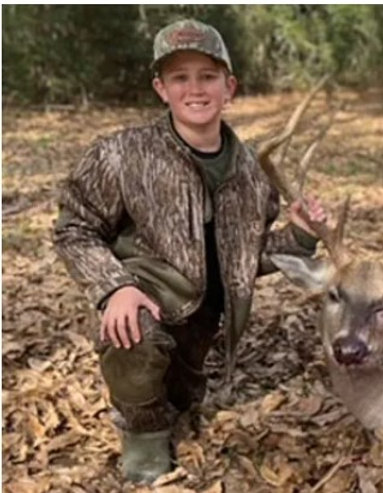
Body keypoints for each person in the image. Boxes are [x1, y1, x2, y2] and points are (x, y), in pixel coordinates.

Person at [52, 19, 326, 484]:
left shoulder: (254, 171)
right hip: (144, 307)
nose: (195, 89)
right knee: (133, 333)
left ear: (229, 87)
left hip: (200, 334)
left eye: (207, 76)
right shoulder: (121, 154)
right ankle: (143, 439)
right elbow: (74, 229)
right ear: (161, 88)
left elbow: (242, 259)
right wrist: (115, 288)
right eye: (180, 77)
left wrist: (299, 236)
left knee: (179, 397)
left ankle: (171, 392)